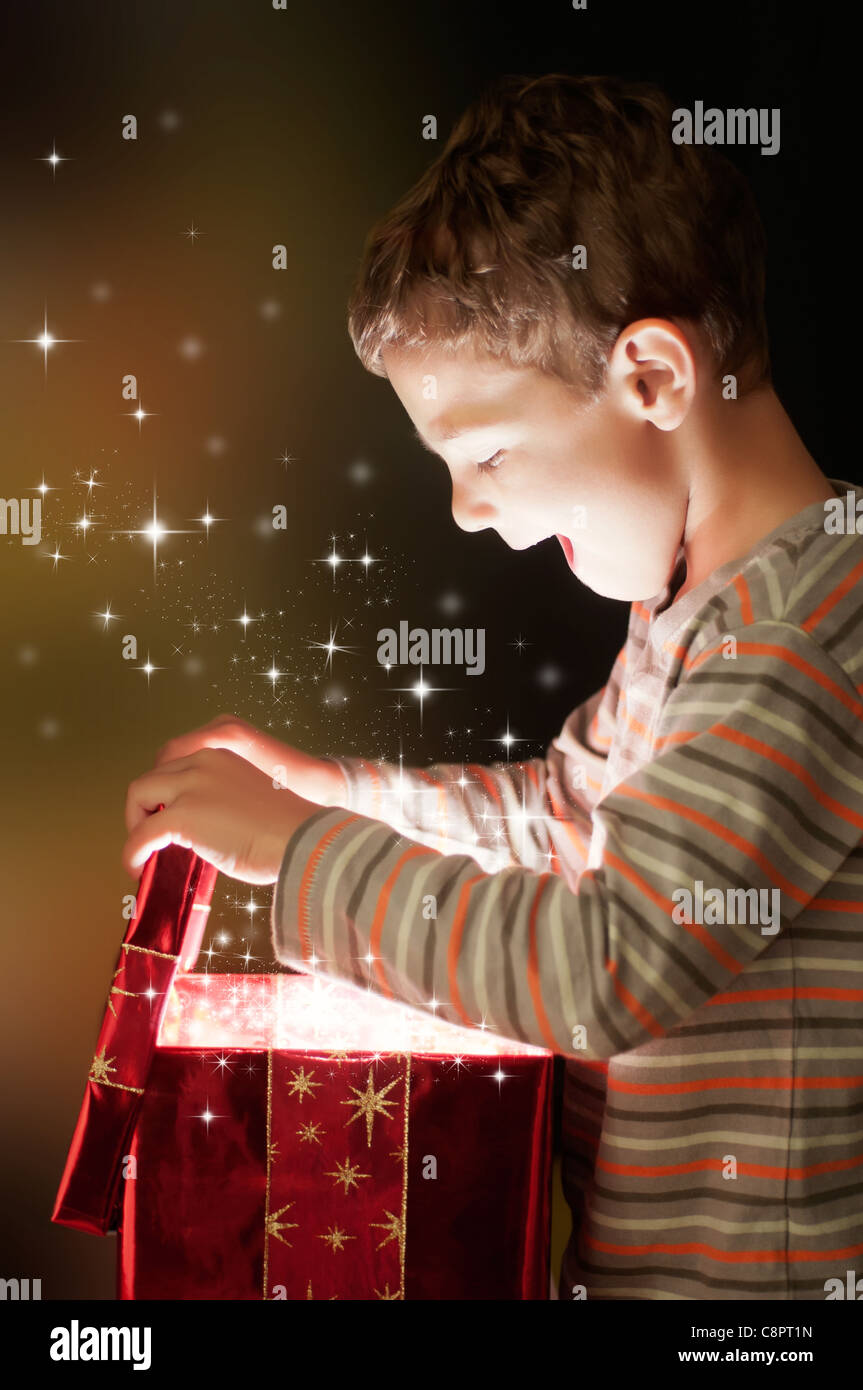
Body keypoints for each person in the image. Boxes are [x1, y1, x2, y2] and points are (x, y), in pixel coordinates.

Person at [124, 74, 863, 1301]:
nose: (469, 509)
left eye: (490, 453)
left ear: (651, 380)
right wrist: (337, 795)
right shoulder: (696, 613)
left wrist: (307, 853)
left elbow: (603, 963)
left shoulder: (790, 639)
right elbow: (564, 821)